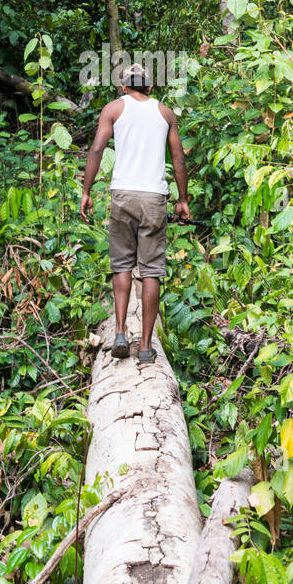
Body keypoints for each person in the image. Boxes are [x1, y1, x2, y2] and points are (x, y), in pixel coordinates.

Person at [79, 62, 190, 364]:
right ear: (151, 88)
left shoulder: (114, 109)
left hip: (123, 195)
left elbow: (97, 150)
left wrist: (87, 192)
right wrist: (182, 199)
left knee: (122, 265)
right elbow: (178, 158)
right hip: (154, 196)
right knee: (152, 270)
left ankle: (118, 333)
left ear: (125, 87)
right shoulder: (165, 113)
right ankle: (144, 346)